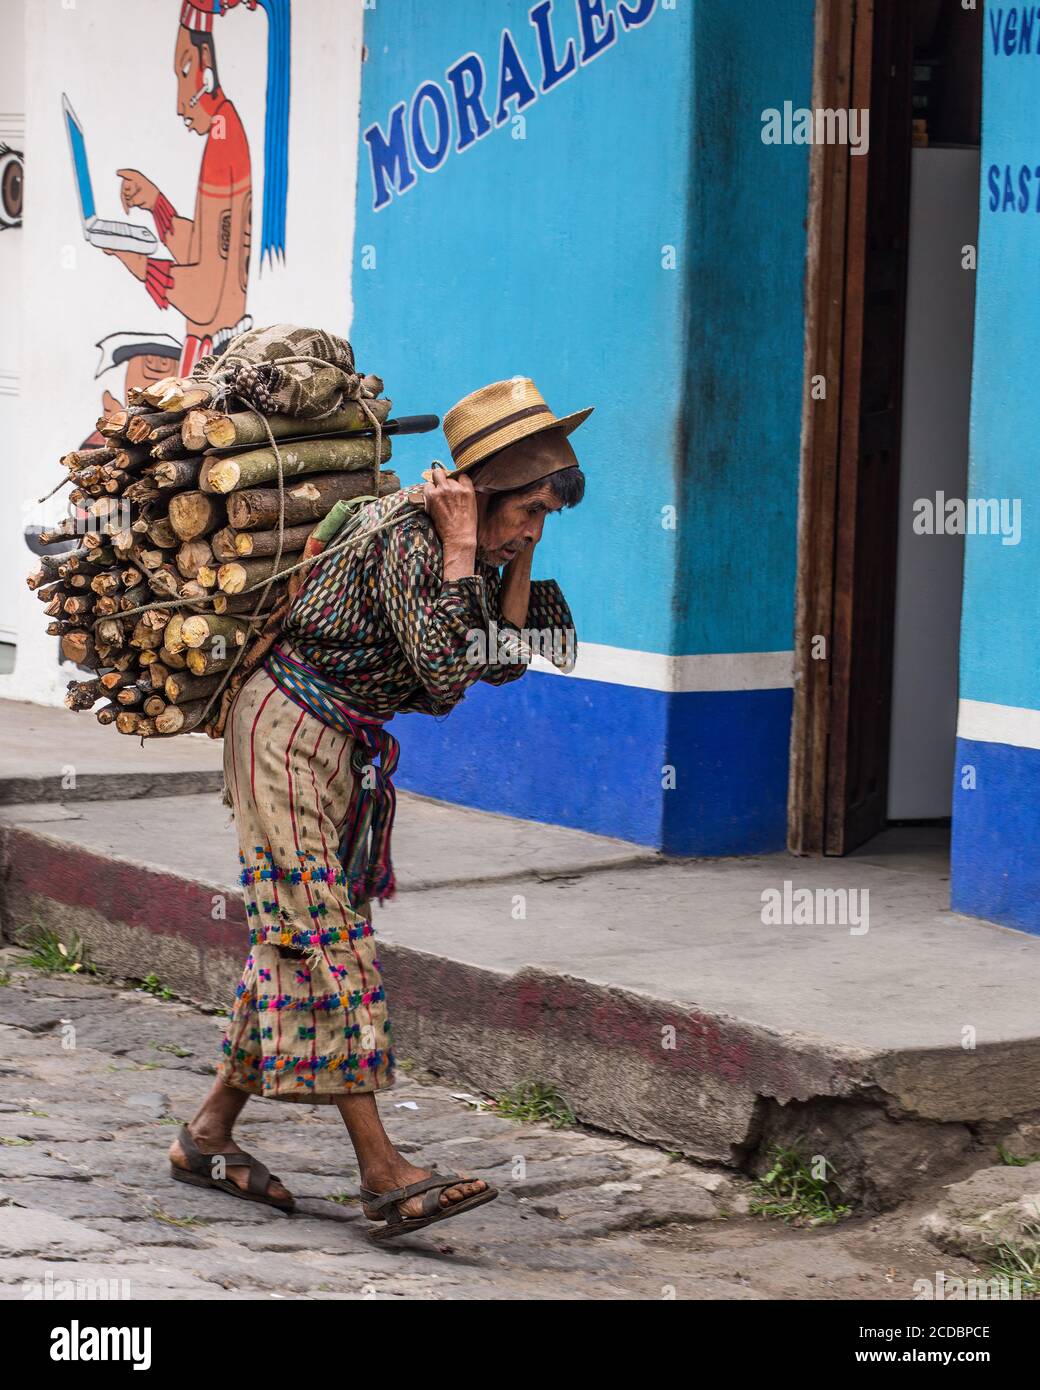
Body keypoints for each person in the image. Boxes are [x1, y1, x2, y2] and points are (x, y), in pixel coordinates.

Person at [168, 377, 591, 1239]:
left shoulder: (477, 543)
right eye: (530, 511)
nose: (534, 529)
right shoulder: (408, 538)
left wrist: (513, 553)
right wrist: (471, 548)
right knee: (327, 940)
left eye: (547, 517)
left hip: (339, 746)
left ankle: (208, 1136)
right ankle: (383, 1170)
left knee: (301, 930)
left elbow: (510, 659)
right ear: (486, 492)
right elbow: (442, 680)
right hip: (285, 729)